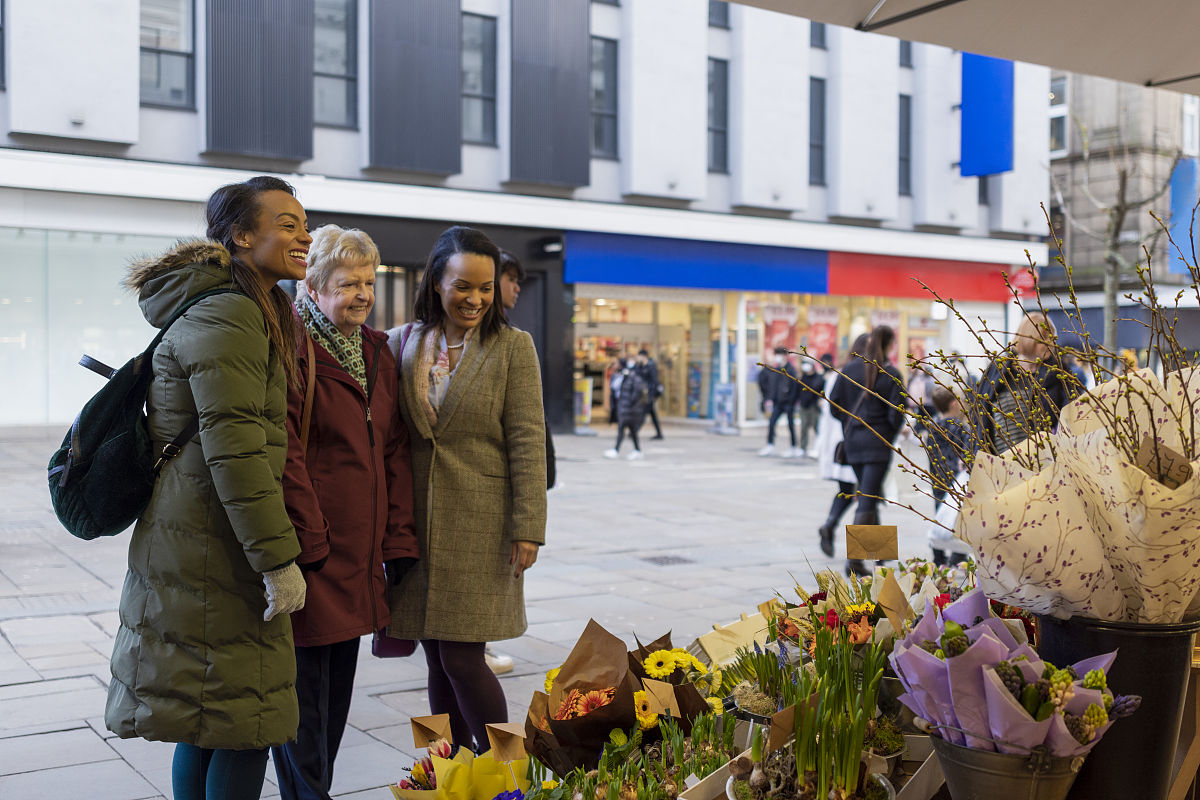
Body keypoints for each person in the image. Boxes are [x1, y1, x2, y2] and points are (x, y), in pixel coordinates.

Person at [106, 176, 309, 800]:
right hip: (217, 547)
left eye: (305, 224)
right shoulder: (232, 312)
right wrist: (277, 561)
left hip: (199, 536)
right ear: (242, 236)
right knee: (246, 718)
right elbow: (238, 449)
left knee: (207, 715)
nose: (303, 236)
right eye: (287, 224)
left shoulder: (232, 303)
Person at [386, 226, 547, 753]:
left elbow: (527, 441)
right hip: (415, 527)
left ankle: (509, 763)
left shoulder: (512, 348)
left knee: (461, 656)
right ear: (437, 281)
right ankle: (443, 765)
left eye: (485, 287)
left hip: (484, 527)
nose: (475, 299)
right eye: (462, 286)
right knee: (433, 657)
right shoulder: (402, 342)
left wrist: (529, 528)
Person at [275, 225, 419, 800]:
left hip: (358, 559)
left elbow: (393, 451)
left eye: (368, 281)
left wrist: (399, 541)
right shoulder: (291, 346)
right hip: (313, 554)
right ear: (312, 285)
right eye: (347, 283)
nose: (362, 293)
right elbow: (284, 452)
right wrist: (311, 539)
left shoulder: (375, 353)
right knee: (303, 708)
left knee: (334, 703)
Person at [829, 326, 906, 577]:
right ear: (889, 344)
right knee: (868, 498)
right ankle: (854, 561)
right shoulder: (892, 373)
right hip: (877, 443)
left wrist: (849, 424)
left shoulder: (849, 368)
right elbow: (898, 414)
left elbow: (833, 404)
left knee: (868, 493)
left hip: (853, 443)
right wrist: (889, 433)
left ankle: (880, 555)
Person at [968, 312, 1080, 455]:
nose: (1050, 344)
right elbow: (978, 414)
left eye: (1052, 338)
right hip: (1000, 462)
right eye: (1044, 339)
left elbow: (1073, 414)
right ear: (1028, 338)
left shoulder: (1059, 373)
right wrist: (974, 451)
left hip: (1042, 461)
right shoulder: (997, 371)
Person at [814, 341, 864, 559]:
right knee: (869, 497)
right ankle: (865, 557)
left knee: (847, 490)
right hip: (862, 445)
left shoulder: (837, 375)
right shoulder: (865, 376)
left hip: (840, 447)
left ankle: (830, 524)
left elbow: (828, 413)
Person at [921, 386, 970, 566]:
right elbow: (968, 449)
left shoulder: (932, 427)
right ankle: (958, 555)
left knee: (940, 517)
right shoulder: (959, 426)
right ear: (953, 403)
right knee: (958, 518)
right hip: (956, 479)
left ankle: (939, 556)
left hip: (938, 478)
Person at [757, 346, 800, 457]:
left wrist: (792, 401)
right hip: (778, 402)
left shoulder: (791, 370)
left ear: (785, 356)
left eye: (779, 354)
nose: (778, 357)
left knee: (790, 425)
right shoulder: (777, 370)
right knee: (771, 422)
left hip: (788, 403)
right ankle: (770, 445)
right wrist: (770, 399)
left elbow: (795, 387)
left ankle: (793, 447)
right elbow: (772, 386)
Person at [605, 356, 650, 460]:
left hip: (629, 409)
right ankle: (637, 450)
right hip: (623, 407)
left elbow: (637, 392)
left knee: (622, 429)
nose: (614, 365)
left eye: (616, 363)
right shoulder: (618, 376)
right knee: (632, 431)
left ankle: (616, 450)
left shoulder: (632, 376)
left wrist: (629, 404)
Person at [635, 349, 665, 440]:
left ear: (643, 356)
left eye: (639, 356)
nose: (638, 358)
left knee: (643, 414)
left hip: (649, 395)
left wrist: (652, 395)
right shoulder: (640, 367)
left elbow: (654, 382)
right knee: (652, 414)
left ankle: (634, 431)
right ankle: (659, 434)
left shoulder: (651, 367)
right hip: (644, 394)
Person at [796, 359, 823, 456]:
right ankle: (803, 448)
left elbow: (819, 389)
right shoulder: (801, 378)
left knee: (817, 428)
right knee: (803, 428)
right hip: (803, 406)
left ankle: (819, 448)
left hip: (814, 407)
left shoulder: (818, 378)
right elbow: (797, 392)